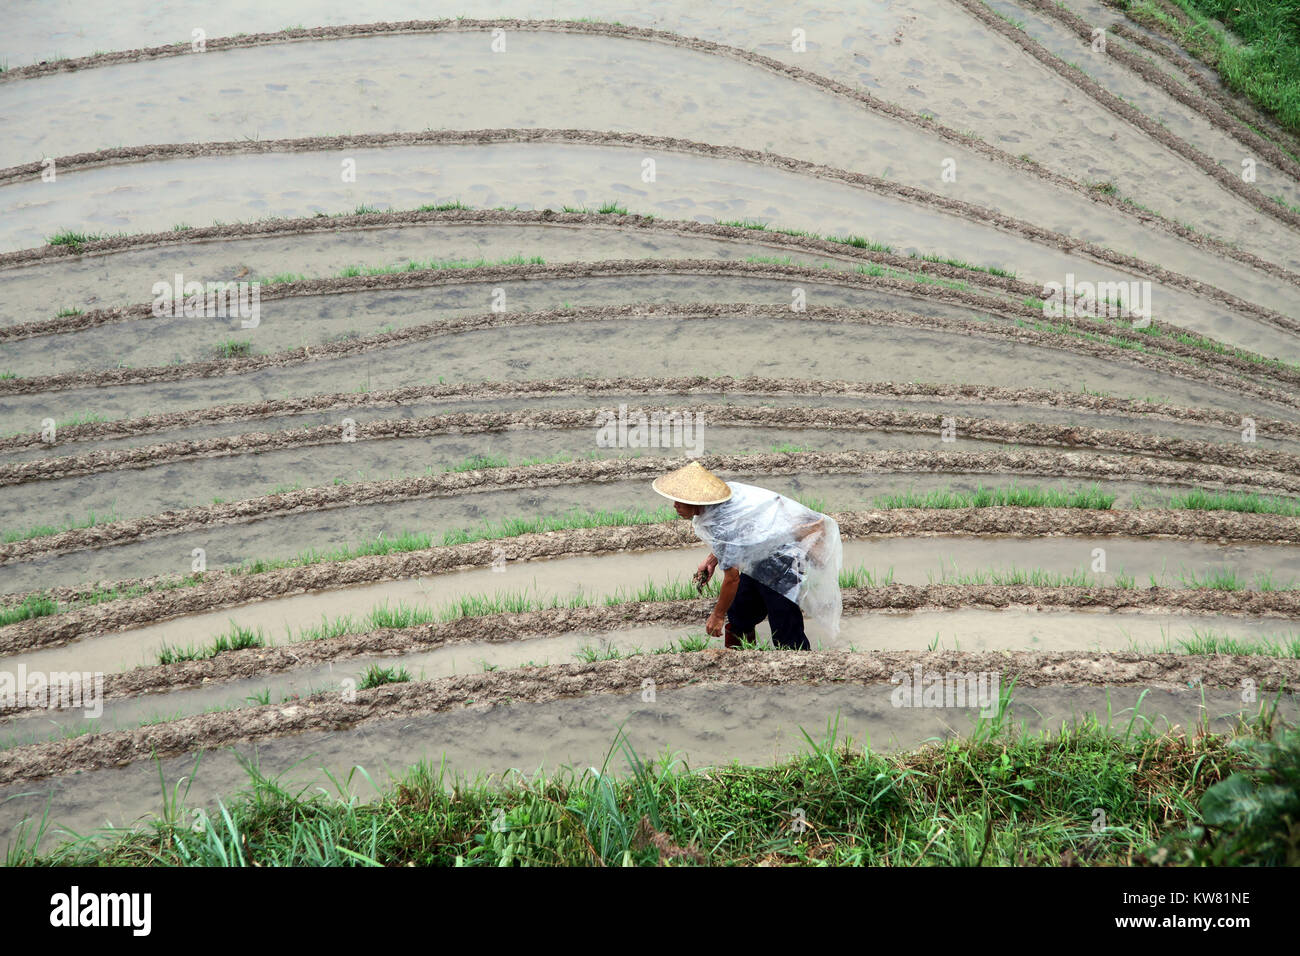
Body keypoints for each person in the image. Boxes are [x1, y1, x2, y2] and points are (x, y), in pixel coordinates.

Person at [651, 461, 842, 650]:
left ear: (697, 500)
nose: (675, 505)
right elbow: (737, 539)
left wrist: (717, 615)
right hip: (759, 554)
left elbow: (731, 578)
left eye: (680, 500)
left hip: (785, 556)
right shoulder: (719, 506)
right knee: (740, 612)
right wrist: (711, 560)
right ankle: (742, 661)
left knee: (784, 624)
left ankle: (799, 670)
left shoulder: (724, 518)